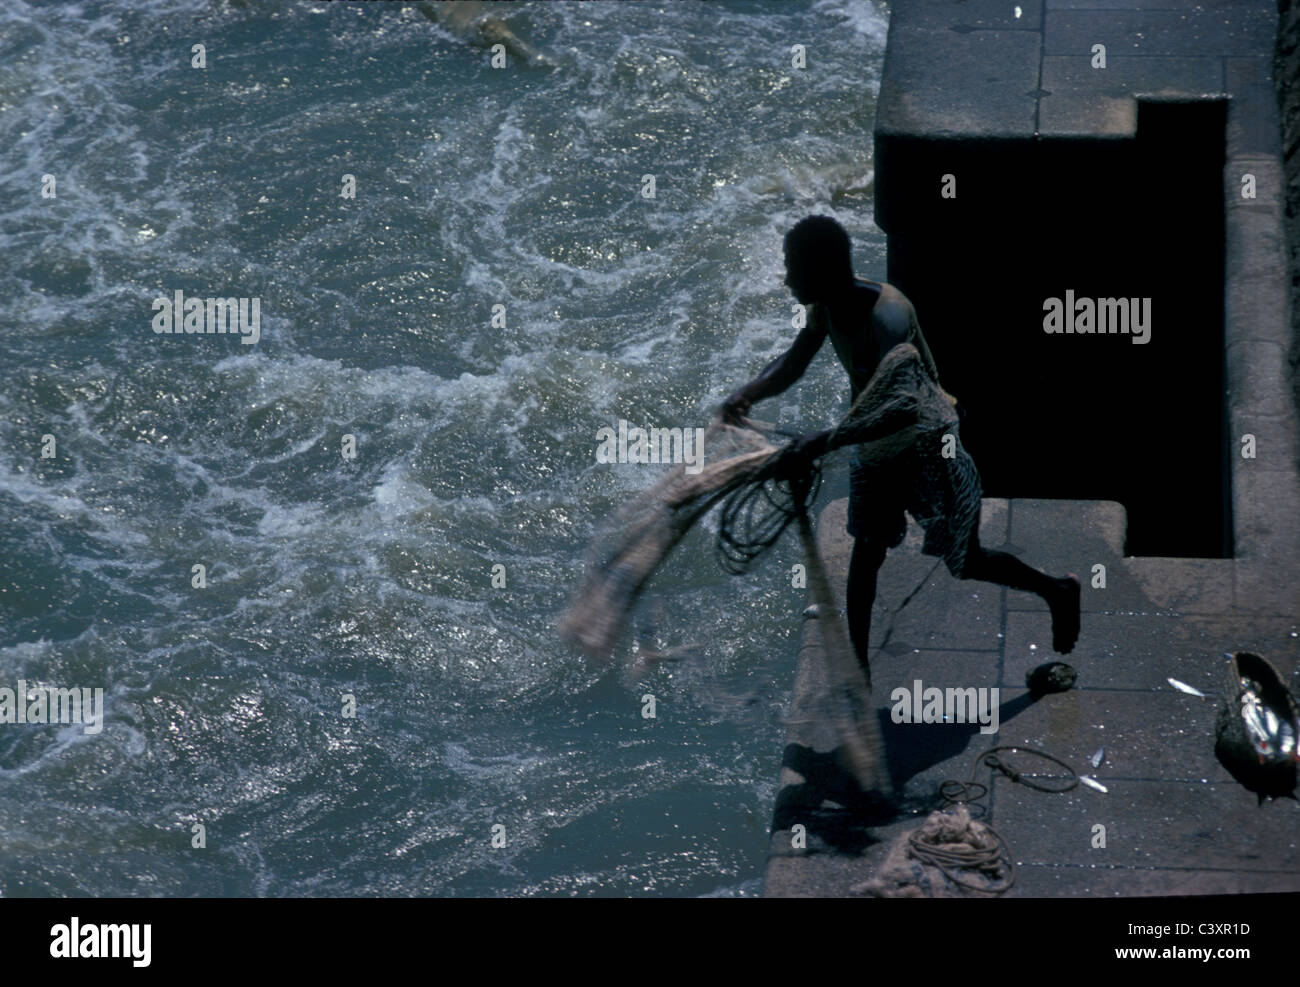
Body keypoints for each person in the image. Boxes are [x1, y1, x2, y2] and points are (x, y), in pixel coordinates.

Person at [721, 216, 1080, 679]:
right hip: (873, 448)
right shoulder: (826, 306)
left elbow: (904, 409)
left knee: (967, 561)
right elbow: (793, 363)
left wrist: (826, 440)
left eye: (792, 267)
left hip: (929, 448)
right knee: (866, 551)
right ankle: (859, 668)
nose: (786, 278)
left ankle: (1056, 591)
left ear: (822, 270)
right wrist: (746, 395)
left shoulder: (887, 319)